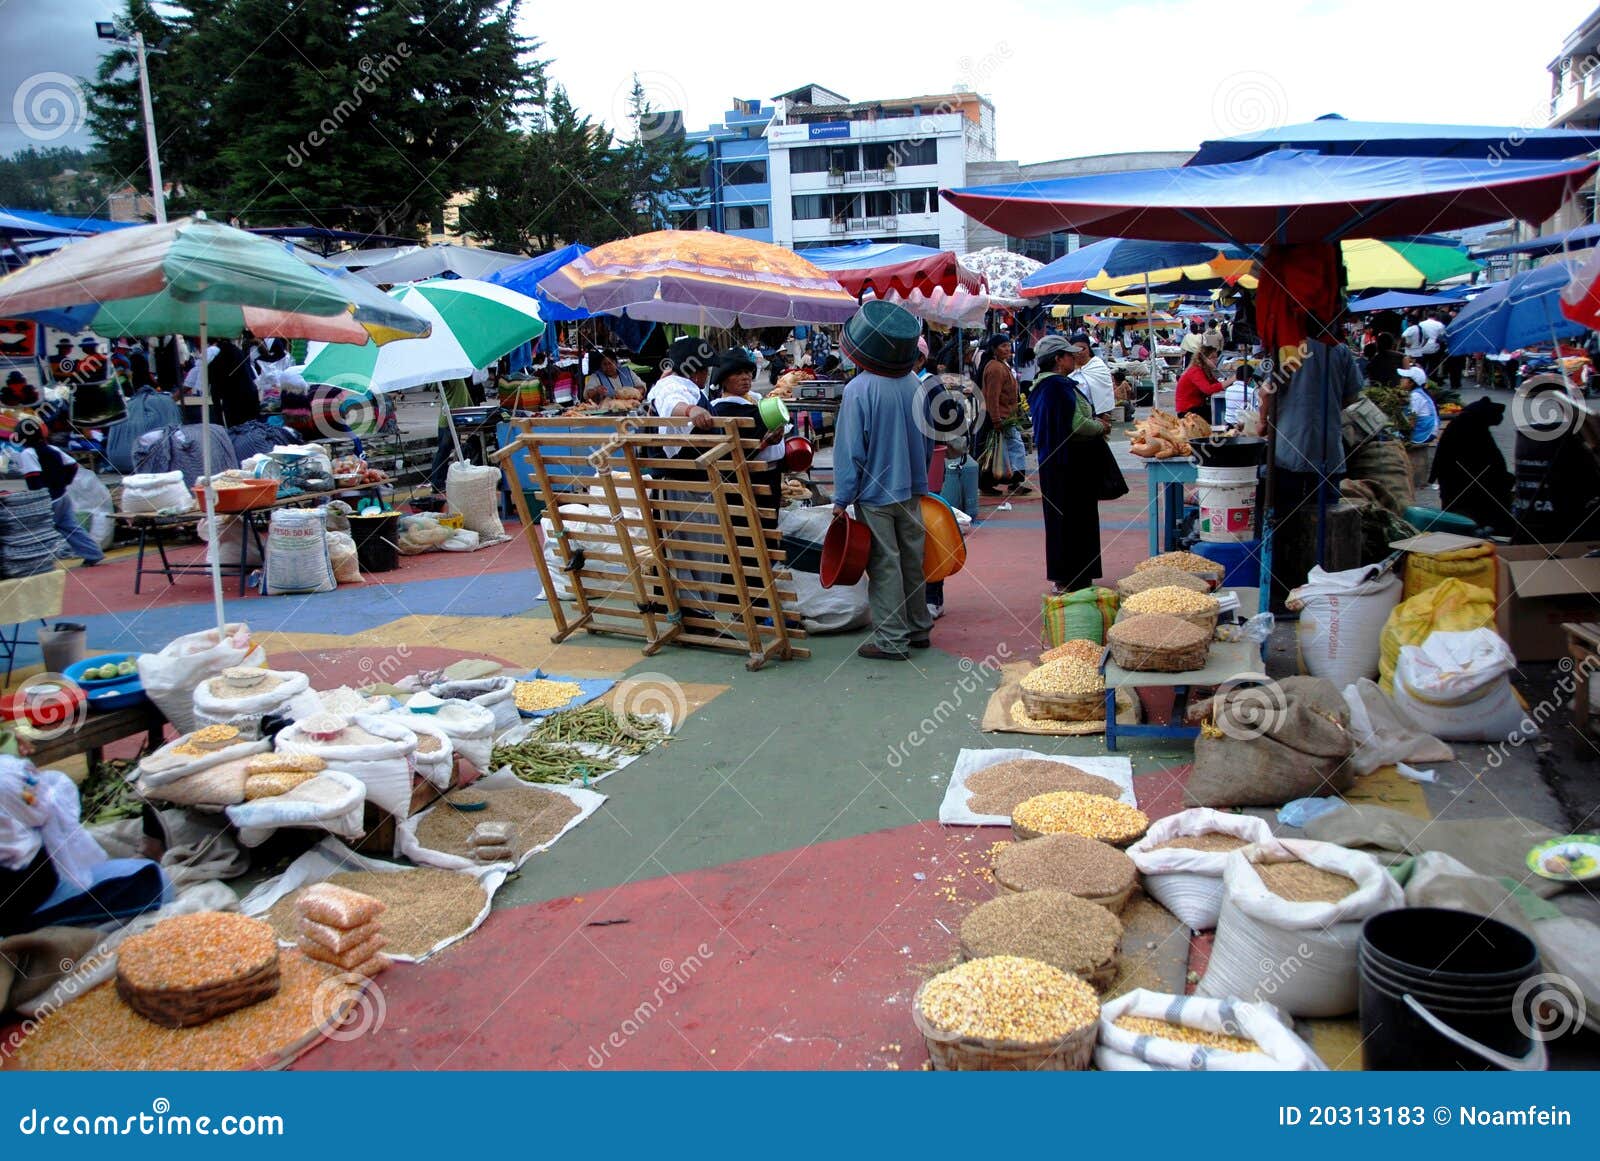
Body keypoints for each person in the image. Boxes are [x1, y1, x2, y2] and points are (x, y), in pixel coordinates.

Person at [831, 301, 934, 660]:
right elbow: (927, 441)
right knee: (911, 558)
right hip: (911, 489)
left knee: (884, 564)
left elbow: (850, 451)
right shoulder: (915, 385)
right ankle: (919, 627)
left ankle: (892, 639)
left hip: (875, 494)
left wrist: (842, 498)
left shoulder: (858, 390)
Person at [1031, 334, 1107, 593]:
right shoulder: (1058, 387)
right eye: (1068, 354)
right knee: (1075, 520)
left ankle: (1064, 576)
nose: (1073, 357)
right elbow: (1079, 424)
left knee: (1059, 520)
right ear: (1057, 359)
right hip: (1069, 466)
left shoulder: (1041, 386)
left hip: (1053, 465)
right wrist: (1100, 426)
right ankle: (1073, 576)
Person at [707, 347, 783, 538]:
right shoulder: (723, 411)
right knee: (752, 532)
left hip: (770, 478)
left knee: (765, 531)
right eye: (738, 373)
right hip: (747, 481)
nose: (746, 377)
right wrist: (765, 443)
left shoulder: (755, 404)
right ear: (724, 379)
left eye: (748, 372)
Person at [13, 416, 102, 566]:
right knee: (71, 527)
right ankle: (93, 553)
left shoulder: (28, 453)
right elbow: (73, 465)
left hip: (48, 500)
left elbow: (33, 479)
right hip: (62, 495)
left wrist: (37, 501)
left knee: (39, 532)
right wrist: (64, 482)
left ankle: (38, 563)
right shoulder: (53, 449)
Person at [1431, 396, 1513, 534]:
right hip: (1462, 487)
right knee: (1466, 518)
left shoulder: (1470, 424)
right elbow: (1486, 463)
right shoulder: (1469, 427)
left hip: (1461, 484)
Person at [978, 333, 1027, 495]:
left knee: (1005, 450)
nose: (1007, 349)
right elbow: (992, 396)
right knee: (1012, 449)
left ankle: (1012, 482)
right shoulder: (995, 368)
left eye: (1008, 345)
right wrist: (997, 420)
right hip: (1000, 417)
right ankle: (1009, 483)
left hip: (1006, 417)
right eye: (1003, 346)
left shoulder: (1001, 365)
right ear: (994, 349)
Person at [430, 378, 473, 492]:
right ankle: (437, 483)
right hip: (448, 421)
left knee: (450, 451)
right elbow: (435, 385)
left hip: (458, 419)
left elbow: (465, 395)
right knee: (443, 452)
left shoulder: (459, 378)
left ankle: (443, 481)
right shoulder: (447, 376)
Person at [1174, 338, 1230, 419]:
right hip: (1187, 410)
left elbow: (1215, 384)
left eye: (1216, 357)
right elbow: (1208, 389)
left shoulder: (1205, 371)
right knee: (1221, 414)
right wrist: (1231, 380)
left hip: (1196, 406)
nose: (1216, 360)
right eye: (1212, 357)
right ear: (1204, 358)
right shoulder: (1195, 371)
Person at [1069, 331, 1116, 422]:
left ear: (1089, 348)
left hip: (1096, 413)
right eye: (1075, 349)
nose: (1079, 352)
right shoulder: (1068, 366)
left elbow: (1105, 390)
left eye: (1083, 348)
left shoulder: (1097, 365)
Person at [1404, 370, 1439, 489]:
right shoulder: (1417, 393)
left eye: (1404, 378)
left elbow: (1411, 421)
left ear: (1411, 383)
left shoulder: (1415, 396)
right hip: (1425, 427)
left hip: (1424, 431)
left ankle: (1414, 479)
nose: (1401, 380)